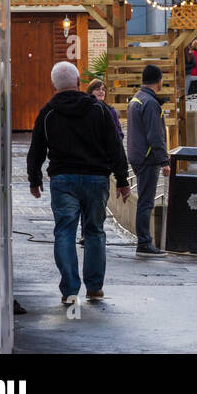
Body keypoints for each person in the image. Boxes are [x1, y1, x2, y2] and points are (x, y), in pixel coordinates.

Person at [27, 61, 131, 304]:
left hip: (63, 179)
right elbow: (115, 146)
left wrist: (34, 178)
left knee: (64, 231)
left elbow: (37, 148)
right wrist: (123, 180)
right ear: (78, 83)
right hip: (96, 179)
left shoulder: (48, 113)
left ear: (54, 85)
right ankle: (94, 288)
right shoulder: (99, 110)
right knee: (94, 231)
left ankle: (70, 291)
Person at [126, 64, 171, 256]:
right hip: (147, 158)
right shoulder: (151, 104)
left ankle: (144, 241)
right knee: (146, 201)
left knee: (144, 200)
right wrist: (164, 161)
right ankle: (144, 243)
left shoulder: (137, 99)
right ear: (159, 81)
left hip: (136, 156)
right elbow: (155, 136)